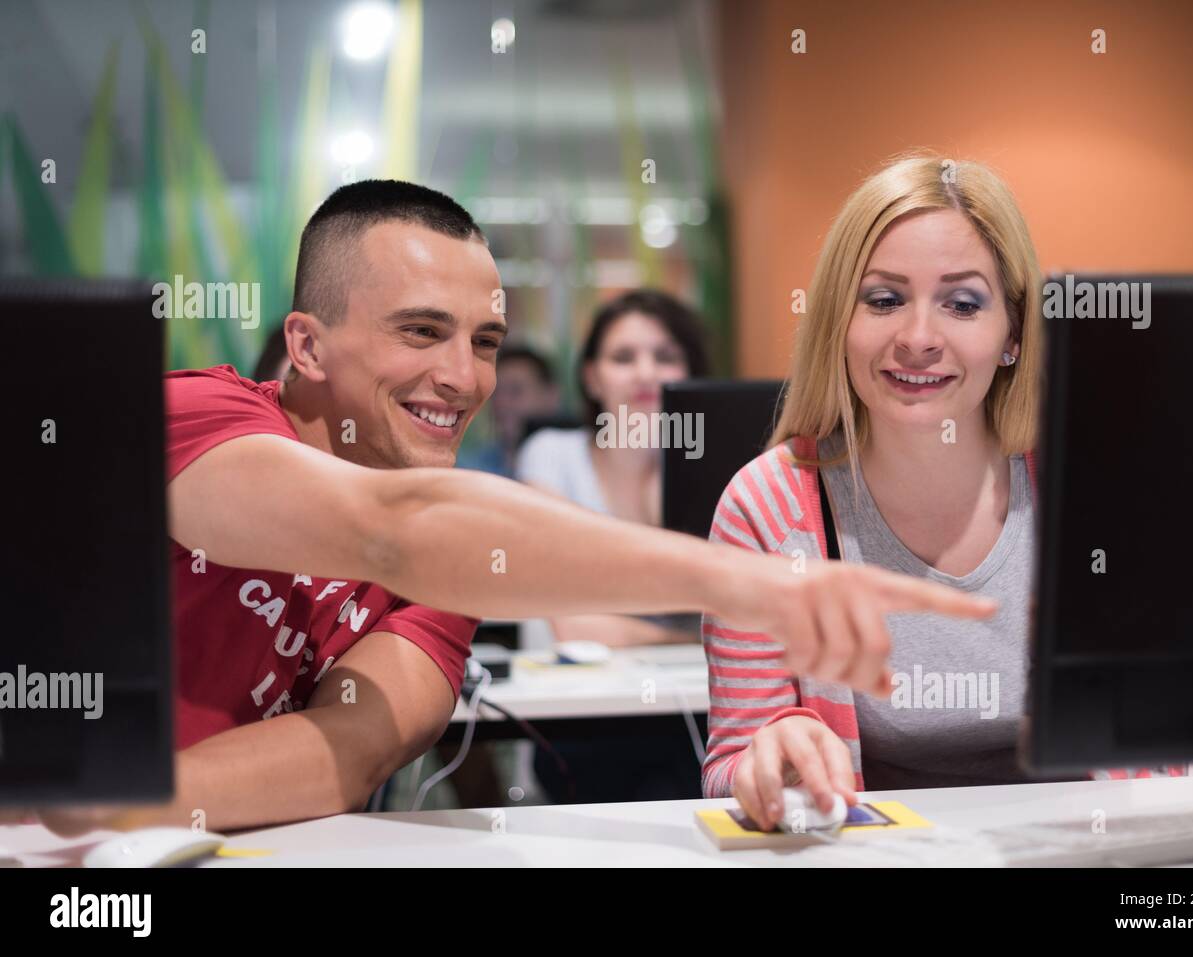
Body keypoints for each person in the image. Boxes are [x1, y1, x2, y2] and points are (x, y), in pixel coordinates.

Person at [12, 178, 993, 837]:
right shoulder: (193, 415)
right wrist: (734, 578)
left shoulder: (437, 584)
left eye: (483, 339)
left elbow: (346, 754)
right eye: (422, 332)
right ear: (306, 347)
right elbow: (385, 524)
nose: (461, 377)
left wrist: (101, 810)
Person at [701, 154, 1184, 831]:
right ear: (839, 321)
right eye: (884, 299)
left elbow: (1169, 754)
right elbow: (729, 764)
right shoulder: (768, 508)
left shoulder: (1097, 491)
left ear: (1012, 332)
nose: (919, 338)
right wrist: (768, 761)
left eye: (962, 303)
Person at [517, 289, 708, 647]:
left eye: (665, 357)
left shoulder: (714, 468)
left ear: (690, 372)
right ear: (592, 378)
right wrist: (687, 640)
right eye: (623, 357)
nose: (646, 373)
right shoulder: (551, 456)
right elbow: (572, 627)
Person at [457, 344, 560, 477]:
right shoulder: (469, 471)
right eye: (495, 392)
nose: (501, 403)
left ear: (550, 396)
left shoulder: (579, 464)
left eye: (515, 391)